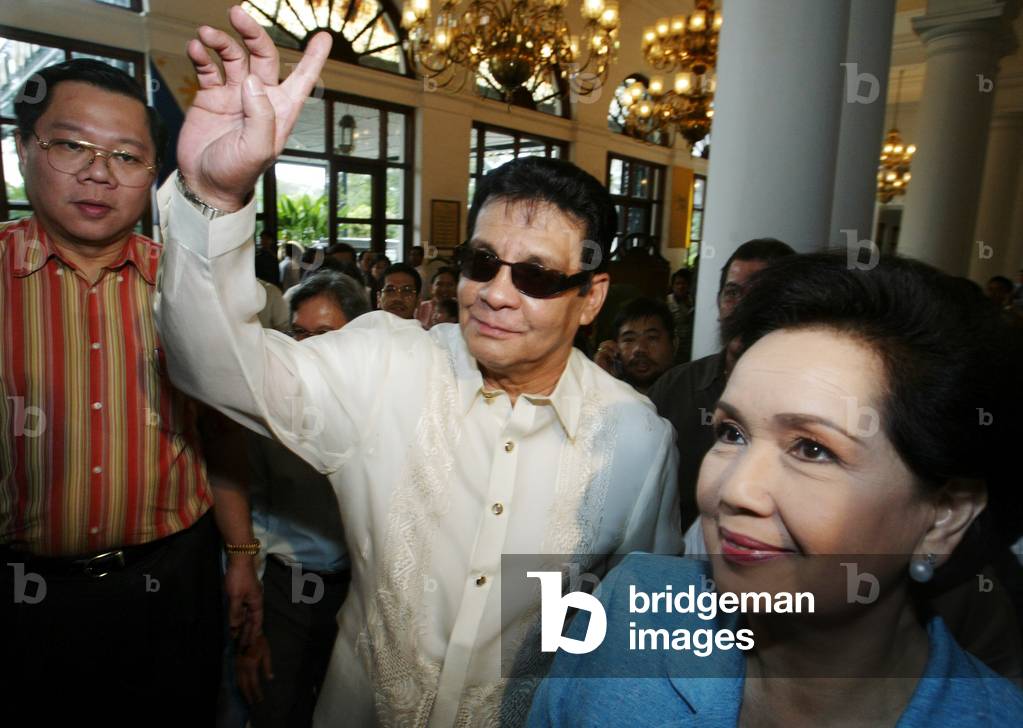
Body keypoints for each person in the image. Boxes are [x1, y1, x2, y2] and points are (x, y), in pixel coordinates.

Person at [153, 10, 680, 725]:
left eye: (536, 277)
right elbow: (218, 372)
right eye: (481, 262)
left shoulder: (637, 441)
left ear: (590, 298)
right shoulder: (388, 363)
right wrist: (213, 200)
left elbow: (629, 626)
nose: (495, 292)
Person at [528, 253, 1023, 727]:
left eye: (812, 449)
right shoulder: (628, 608)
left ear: (945, 515)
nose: (736, 489)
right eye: (732, 434)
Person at [0, 59, 258, 725]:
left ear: (152, 175)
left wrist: (241, 557)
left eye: (126, 156)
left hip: (171, 584)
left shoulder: (186, 290)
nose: (98, 172)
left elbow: (220, 431)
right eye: (70, 145)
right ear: (25, 148)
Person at [225, 271, 370, 728]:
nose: (309, 349)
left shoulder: (384, 408)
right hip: (286, 591)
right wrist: (250, 636)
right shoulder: (270, 413)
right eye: (299, 333)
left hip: (362, 592)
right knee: (274, 705)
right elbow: (253, 512)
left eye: (326, 335)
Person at [647, 238, 795, 532]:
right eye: (733, 293)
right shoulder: (676, 388)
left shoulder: (808, 400)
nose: (742, 308)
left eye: (761, 295)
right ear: (717, 302)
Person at [593, 297, 675, 394]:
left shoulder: (692, 396)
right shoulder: (610, 395)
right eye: (629, 339)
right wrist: (600, 380)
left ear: (674, 344)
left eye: (652, 338)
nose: (639, 349)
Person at [666, 268, 694, 363]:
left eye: (684, 283)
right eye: (678, 283)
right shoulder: (667, 302)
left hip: (689, 350)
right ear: (672, 286)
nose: (681, 286)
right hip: (673, 351)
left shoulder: (693, 302)